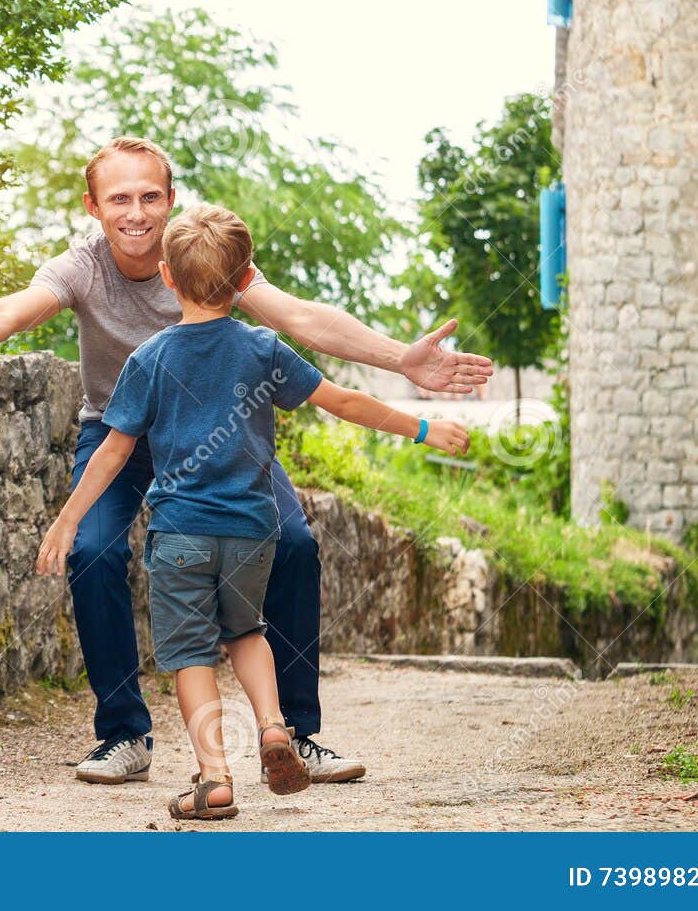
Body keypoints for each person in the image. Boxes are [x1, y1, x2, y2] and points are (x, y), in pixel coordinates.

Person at [0, 136, 493, 785]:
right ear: (94, 207)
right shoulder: (83, 266)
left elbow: (302, 319)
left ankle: (295, 734)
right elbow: (5, 316)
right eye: (120, 198)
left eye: (151, 196)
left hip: (216, 437)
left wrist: (399, 358)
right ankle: (124, 734)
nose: (137, 212)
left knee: (294, 541)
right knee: (94, 550)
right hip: (119, 433)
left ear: (172, 200)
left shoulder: (204, 257)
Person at [34, 204, 469, 819]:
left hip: (181, 534)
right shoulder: (265, 349)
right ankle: (273, 728)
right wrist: (422, 427)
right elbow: (342, 401)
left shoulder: (150, 358)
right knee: (245, 632)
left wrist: (69, 519)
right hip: (252, 530)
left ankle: (214, 777)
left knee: (189, 655)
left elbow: (113, 450)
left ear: (167, 277)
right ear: (245, 281)